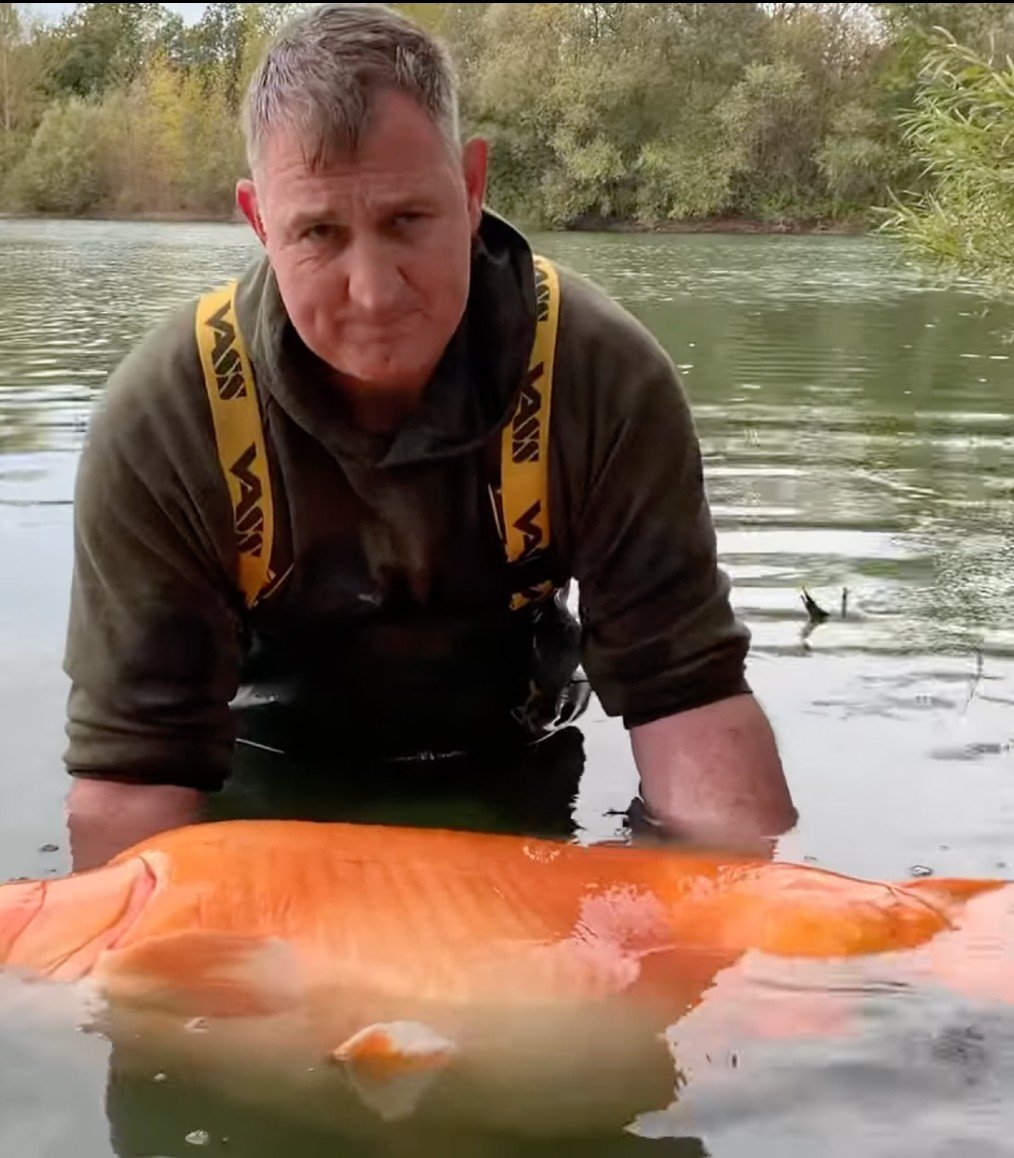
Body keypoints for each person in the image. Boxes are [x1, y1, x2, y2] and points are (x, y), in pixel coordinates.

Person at [61, 2, 797, 873]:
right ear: (259, 223)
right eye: (319, 233)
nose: (372, 291)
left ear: (474, 187)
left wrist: (747, 947)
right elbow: (133, 782)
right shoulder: (167, 418)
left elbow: (689, 696)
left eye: (408, 220)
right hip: (262, 786)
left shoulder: (601, 375)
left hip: (518, 771)